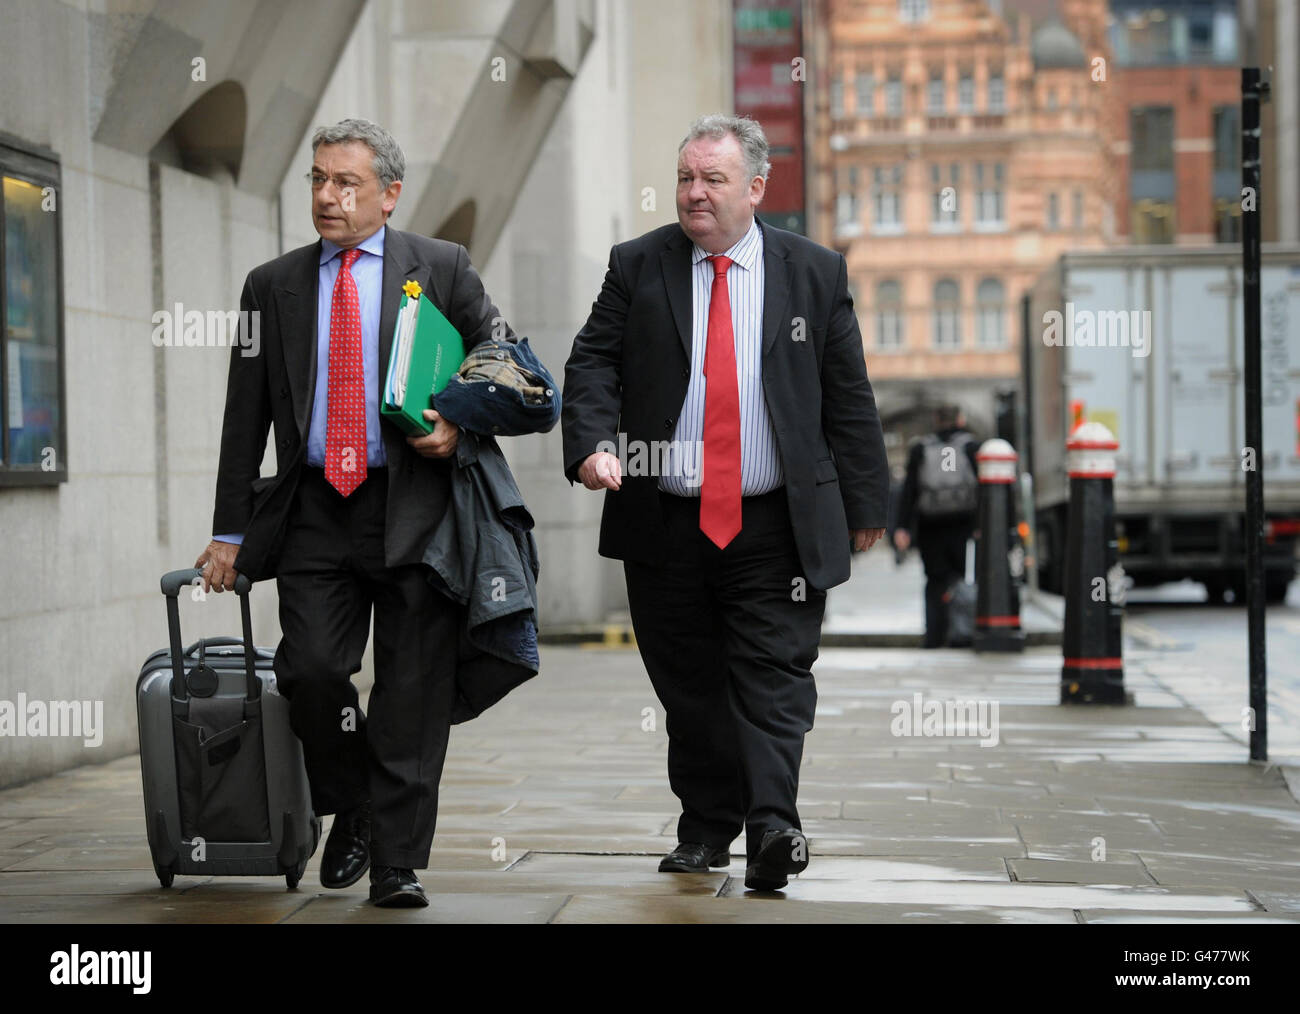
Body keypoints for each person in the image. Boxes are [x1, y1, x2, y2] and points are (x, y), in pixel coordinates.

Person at [561, 114, 889, 891]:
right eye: (685, 177)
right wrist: (592, 445)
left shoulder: (813, 272)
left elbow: (850, 398)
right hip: (667, 522)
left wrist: (867, 501)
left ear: (756, 187)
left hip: (774, 522)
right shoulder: (638, 266)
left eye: (712, 179)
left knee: (774, 676)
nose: (694, 193)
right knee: (692, 687)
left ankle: (774, 826)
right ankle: (707, 828)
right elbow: (593, 362)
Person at [195, 118, 515, 908]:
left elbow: (502, 358)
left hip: (415, 508)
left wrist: (459, 421)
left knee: (409, 689)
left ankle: (397, 864)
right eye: (317, 180)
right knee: (308, 671)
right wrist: (229, 531)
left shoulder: (439, 267)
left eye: (347, 183)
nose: (328, 196)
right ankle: (356, 800)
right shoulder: (272, 285)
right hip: (312, 511)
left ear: (389, 195)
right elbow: (245, 418)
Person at [893, 405, 980, 648]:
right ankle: (961, 634)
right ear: (960, 419)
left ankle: (934, 636)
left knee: (934, 581)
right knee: (962, 580)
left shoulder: (921, 448)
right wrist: (980, 524)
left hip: (930, 527)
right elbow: (983, 489)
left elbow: (909, 490)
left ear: (936, 419)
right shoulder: (972, 447)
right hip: (963, 526)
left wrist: (902, 527)